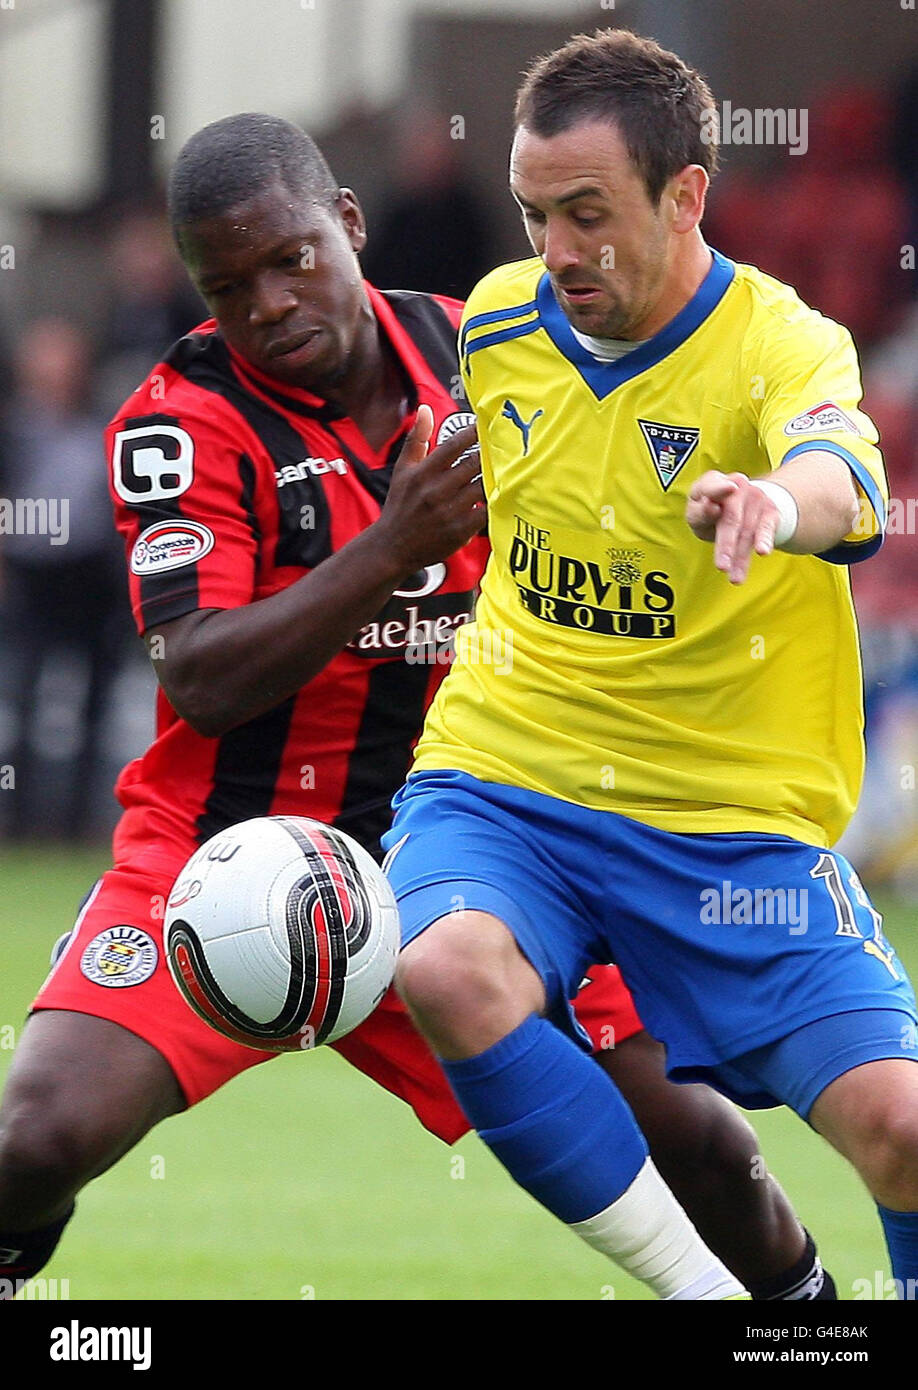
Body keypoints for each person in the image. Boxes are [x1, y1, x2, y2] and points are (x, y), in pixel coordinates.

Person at [0, 114, 828, 1302]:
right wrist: (395, 545)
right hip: (221, 857)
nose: (271, 303)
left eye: (290, 259)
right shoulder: (178, 422)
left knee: (700, 1140)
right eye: (229, 286)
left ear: (347, 224)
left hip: (467, 852)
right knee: (35, 1142)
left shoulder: (486, 349)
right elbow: (198, 673)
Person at [384, 30, 918, 1298]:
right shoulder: (504, 320)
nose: (557, 249)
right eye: (533, 214)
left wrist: (777, 507)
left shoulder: (781, 340)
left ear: (685, 194)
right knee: (447, 966)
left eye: (587, 213)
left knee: (901, 1130)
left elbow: (845, 471)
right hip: (509, 786)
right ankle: (714, 1299)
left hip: (729, 830)